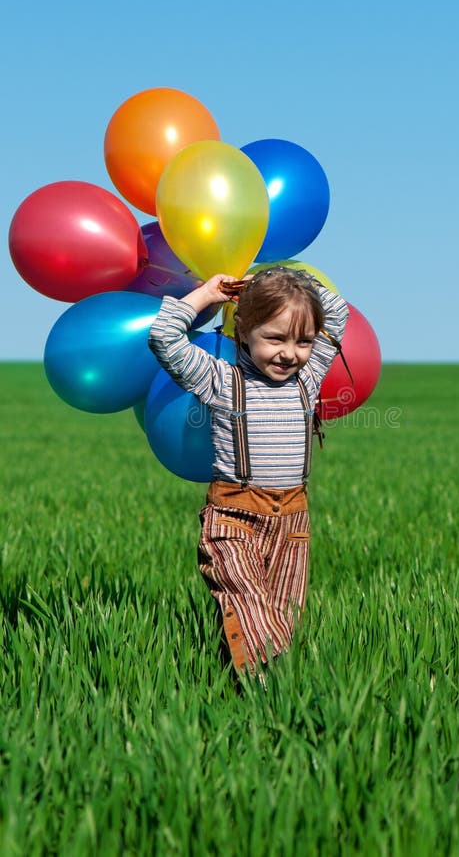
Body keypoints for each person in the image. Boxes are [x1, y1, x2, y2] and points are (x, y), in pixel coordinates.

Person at [148, 266, 349, 675]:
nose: (289, 353)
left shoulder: (306, 381)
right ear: (243, 332)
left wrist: (289, 282)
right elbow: (164, 337)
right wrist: (207, 294)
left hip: (292, 524)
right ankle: (262, 690)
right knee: (249, 606)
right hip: (234, 520)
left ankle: (251, 690)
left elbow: (339, 313)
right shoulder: (221, 381)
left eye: (304, 341)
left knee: (283, 616)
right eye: (275, 337)